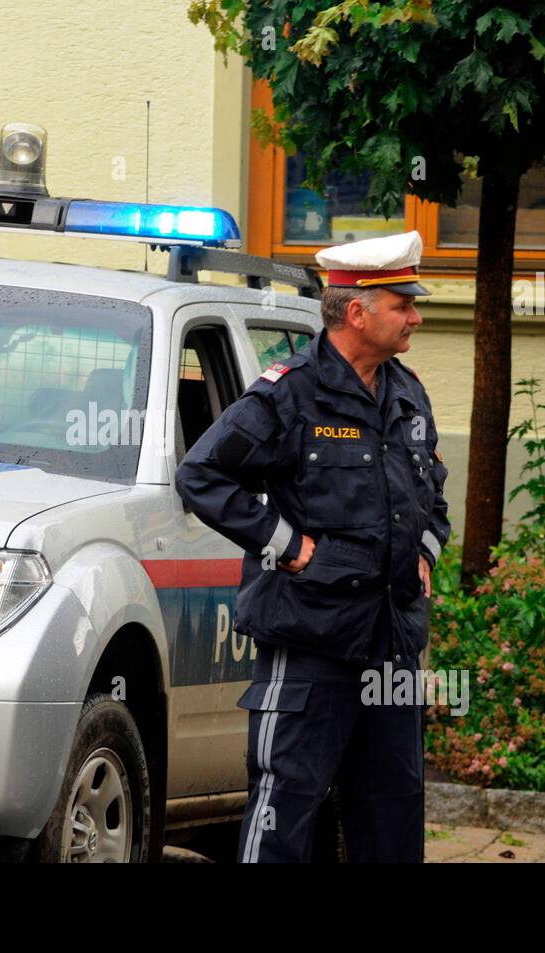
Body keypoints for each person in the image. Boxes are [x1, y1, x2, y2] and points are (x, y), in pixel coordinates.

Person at [175, 230, 450, 863]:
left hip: (391, 645)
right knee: (282, 818)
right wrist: (291, 548)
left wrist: (425, 553)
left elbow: (432, 492)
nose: (416, 315)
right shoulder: (289, 394)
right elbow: (202, 476)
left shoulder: (406, 392)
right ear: (358, 312)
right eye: (403, 303)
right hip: (310, 645)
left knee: (392, 815)